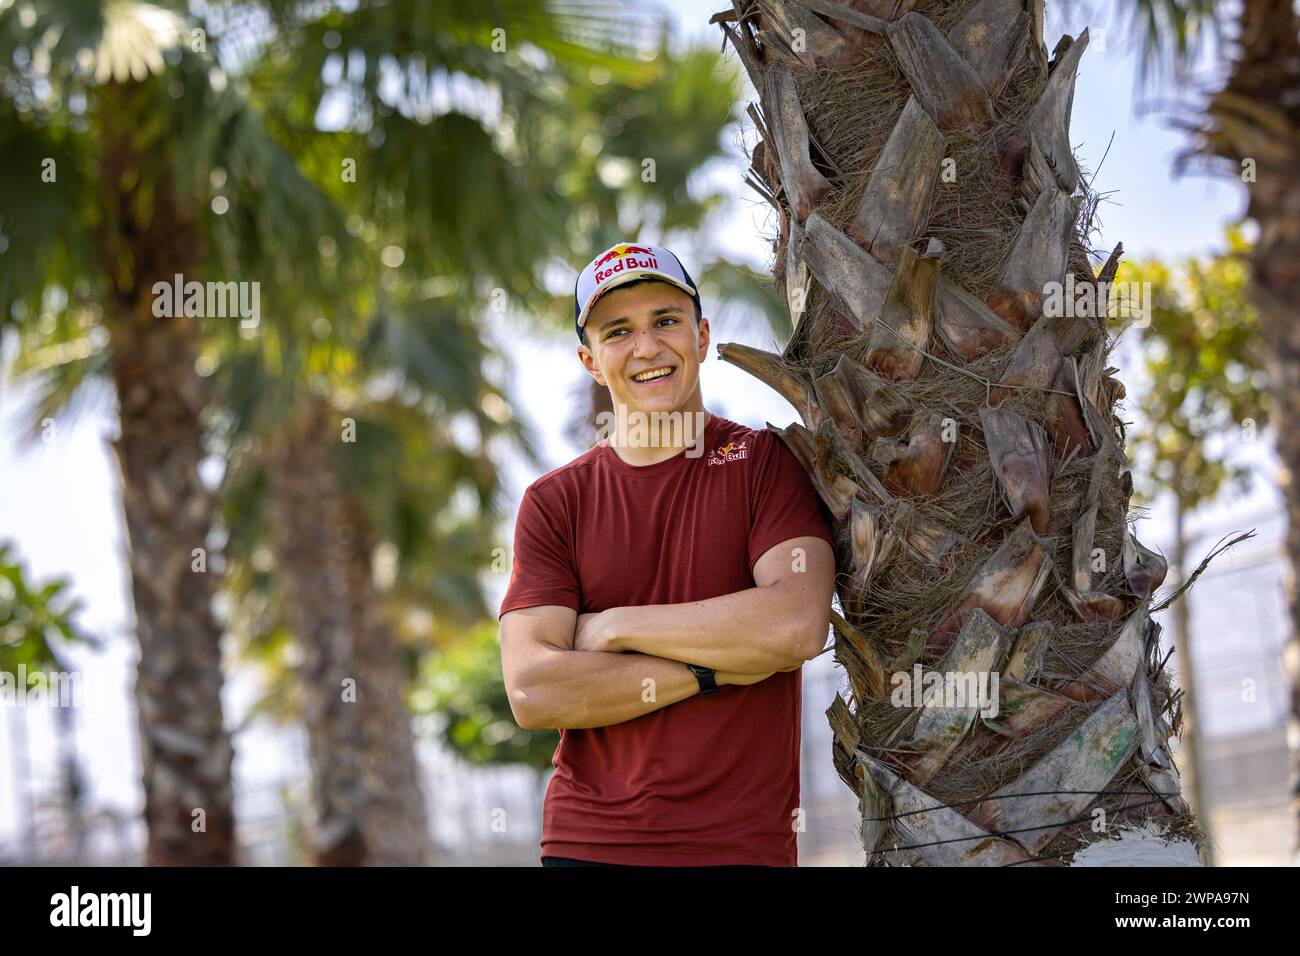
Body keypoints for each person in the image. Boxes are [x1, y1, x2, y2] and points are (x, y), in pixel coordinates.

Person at [498, 241, 837, 867]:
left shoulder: (764, 465)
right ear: (591, 362)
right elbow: (534, 690)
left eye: (666, 321)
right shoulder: (554, 502)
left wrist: (615, 627)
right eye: (618, 332)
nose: (647, 347)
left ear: (702, 336)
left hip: (739, 847)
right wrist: (715, 670)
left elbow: (795, 625)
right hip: (589, 844)